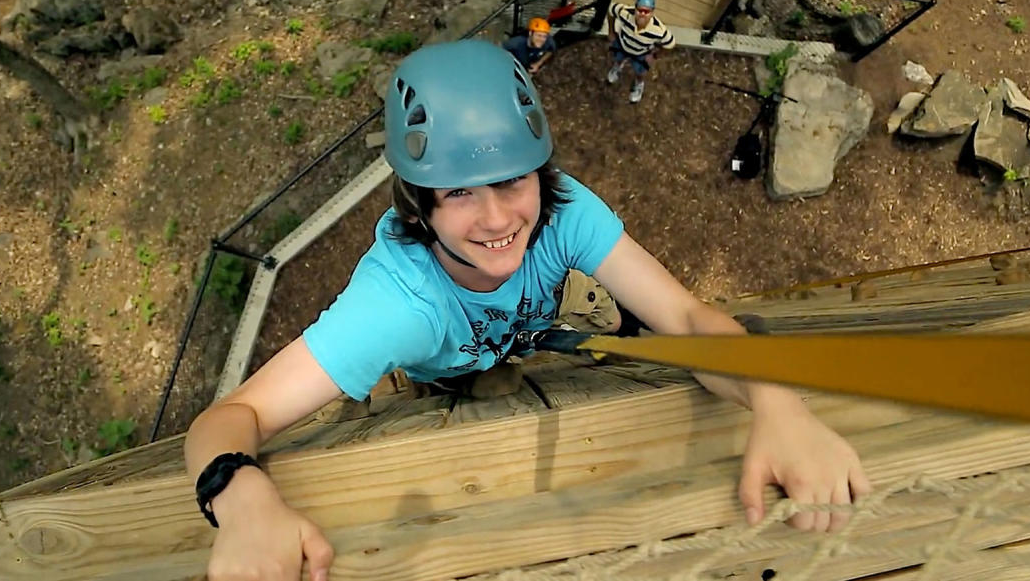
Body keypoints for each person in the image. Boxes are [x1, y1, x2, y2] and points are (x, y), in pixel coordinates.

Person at [183, 40, 868, 581]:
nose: (496, 219)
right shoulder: (396, 304)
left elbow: (687, 319)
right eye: (458, 194)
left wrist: (781, 406)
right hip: (447, 366)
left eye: (512, 181)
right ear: (419, 205)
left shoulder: (564, 210)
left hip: (525, 335)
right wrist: (243, 504)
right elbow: (232, 416)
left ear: (539, 173)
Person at [606, 0, 676, 103]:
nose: (642, 14)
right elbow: (611, 10)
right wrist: (611, 31)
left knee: (640, 72)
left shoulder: (659, 30)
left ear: (652, 12)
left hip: (641, 53)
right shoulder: (625, 13)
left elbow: (670, 44)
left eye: (647, 11)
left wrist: (655, 55)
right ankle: (617, 68)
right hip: (622, 44)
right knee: (618, 59)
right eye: (640, 10)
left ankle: (639, 84)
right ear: (635, 9)